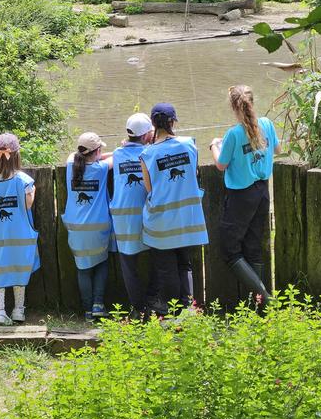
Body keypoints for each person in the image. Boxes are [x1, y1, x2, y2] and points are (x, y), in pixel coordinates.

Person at [210, 86, 281, 308]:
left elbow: (221, 165)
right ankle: (259, 307)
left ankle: (266, 301)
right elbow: (277, 150)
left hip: (242, 196)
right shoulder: (267, 124)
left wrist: (214, 145)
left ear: (234, 107)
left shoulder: (233, 134)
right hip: (262, 191)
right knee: (253, 246)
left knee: (230, 250)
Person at [139, 103, 208, 316]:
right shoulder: (190, 145)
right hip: (187, 219)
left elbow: (149, 188)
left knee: (166, 267)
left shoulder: (147, 154)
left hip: (161, 221)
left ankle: (173, 314)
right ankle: (187, 310)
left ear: (153, 124)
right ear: (172, 122)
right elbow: (193, 173)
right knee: (184, 264)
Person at [0, 133, 40, 325]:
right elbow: (27, 204)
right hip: (20, 233)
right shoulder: (23, 179)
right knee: (19, 268)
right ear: (16, 154)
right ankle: (18, 310)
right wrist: (34, 192)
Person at [62, 132, 114, 322]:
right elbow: (119, 156)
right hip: (98, 227)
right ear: (98, 151)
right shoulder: (101, 168)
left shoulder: (70, 165)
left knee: (83, 268)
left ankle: (87, 310)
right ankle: (98, 304)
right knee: (101, 263)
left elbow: (74, 156)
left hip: (75, 227)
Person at [110, 113, 156, 318]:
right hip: (147, 214)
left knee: (129, 265)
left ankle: (139, 308)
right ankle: (155, 301)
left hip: (122, 217)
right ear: (147, 135)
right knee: (159, 257)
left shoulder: (118, 154)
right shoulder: (150, 152)